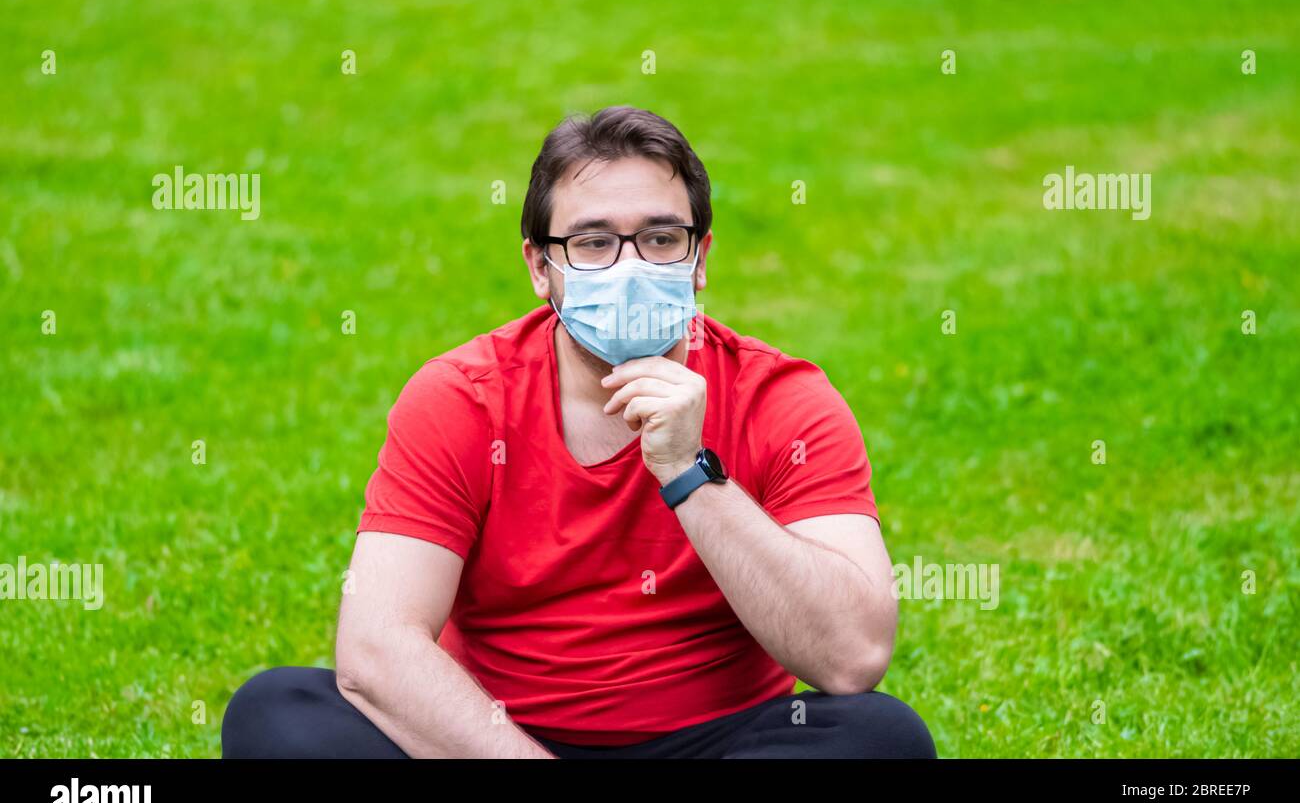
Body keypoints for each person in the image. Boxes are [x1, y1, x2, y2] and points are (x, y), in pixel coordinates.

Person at [222, 105, 936, 759]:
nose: (629, 267)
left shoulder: (784, 401)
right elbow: (377, 647)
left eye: (660, 238)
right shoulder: (461, 399)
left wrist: (691, 473)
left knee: (880, 739)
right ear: (540, 265)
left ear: (700, 259)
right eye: (593, 243)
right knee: (279, 713)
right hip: (495, 738)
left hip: (716, 743)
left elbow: (851, 655)